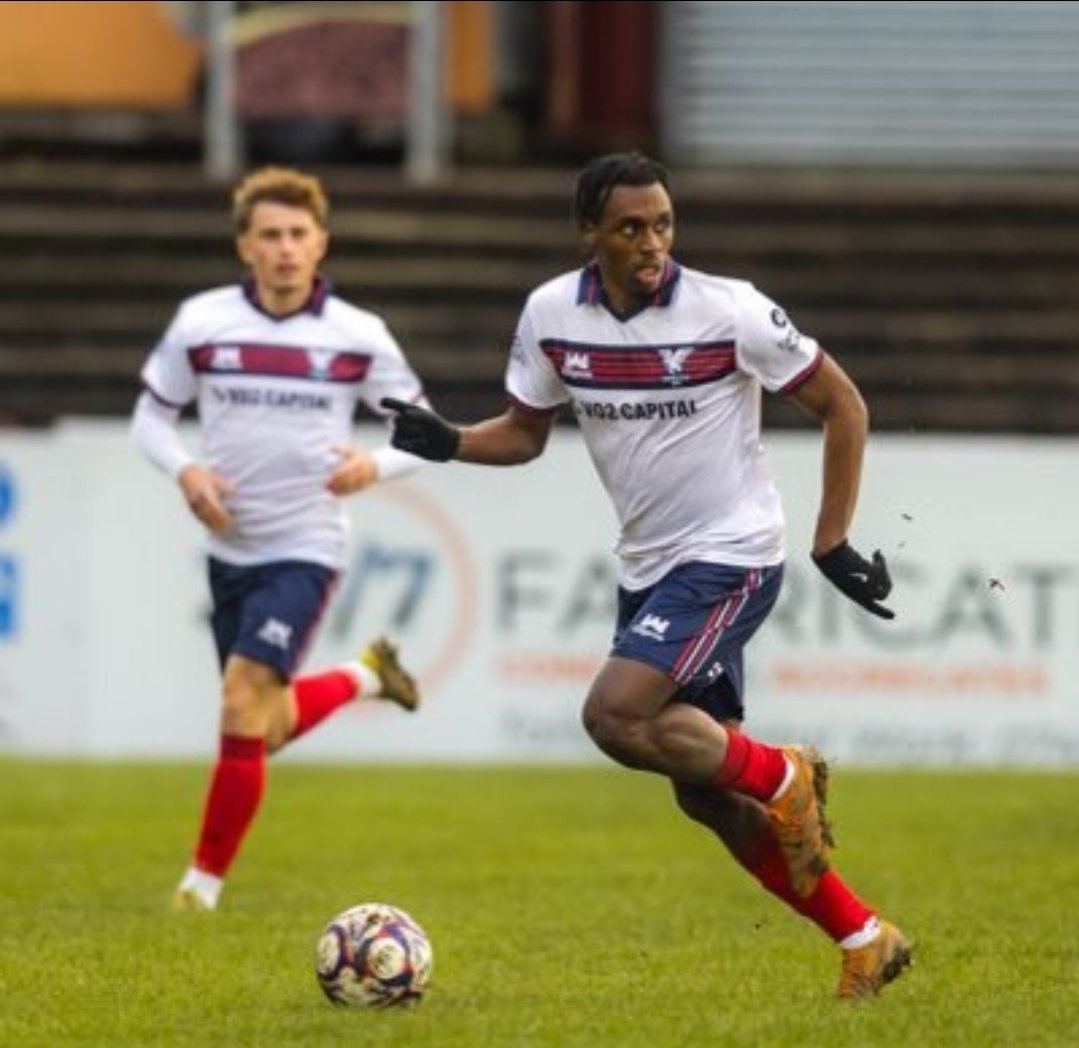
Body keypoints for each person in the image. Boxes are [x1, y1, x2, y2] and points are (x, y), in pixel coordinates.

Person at [382, 151, 912, 998]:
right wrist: (450, 441)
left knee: (612, 715)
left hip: (731, 554)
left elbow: (842, 405)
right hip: (649, 567)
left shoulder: (729, 310)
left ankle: (784, 774)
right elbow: (523, 434)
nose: (652, 242)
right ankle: (863, 936)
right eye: (630, 227)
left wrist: (831, 541)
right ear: (588, 234)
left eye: (662, 223)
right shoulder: (551, 314)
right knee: (703, 797)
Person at [131, 166, 428, 912]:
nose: (286, 248)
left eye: (299, 234)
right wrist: (186, 471)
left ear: (321, 242)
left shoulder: (358, 335)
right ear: (245, 246)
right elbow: (151, 417)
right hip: (228, 550)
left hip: (306, 547)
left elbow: (424, 432)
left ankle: (199, 889)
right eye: (270, 235)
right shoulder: (203, 322)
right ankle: (365, 677)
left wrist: (373, 465)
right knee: (260, 729)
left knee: (240, 702)